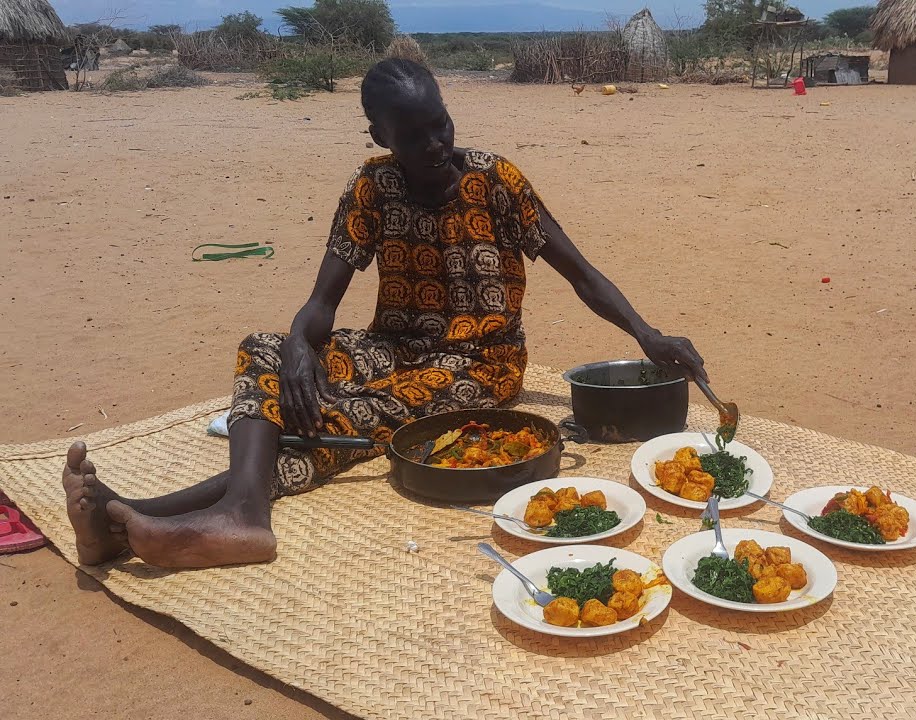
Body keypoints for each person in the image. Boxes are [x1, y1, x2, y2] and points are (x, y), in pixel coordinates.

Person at [61, 59, 707, 570]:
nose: (435, 145)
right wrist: (294, 346)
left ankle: (137, 515)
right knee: (261, 353)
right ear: (381, 137)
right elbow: (321, 304)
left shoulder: (497, 183)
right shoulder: (372, 188)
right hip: (390, 346)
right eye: (415, 135)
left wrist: (646, 335)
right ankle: (216, 517)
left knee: (341, 416)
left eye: (442, 125)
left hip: (479, 367)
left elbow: (583, 276)